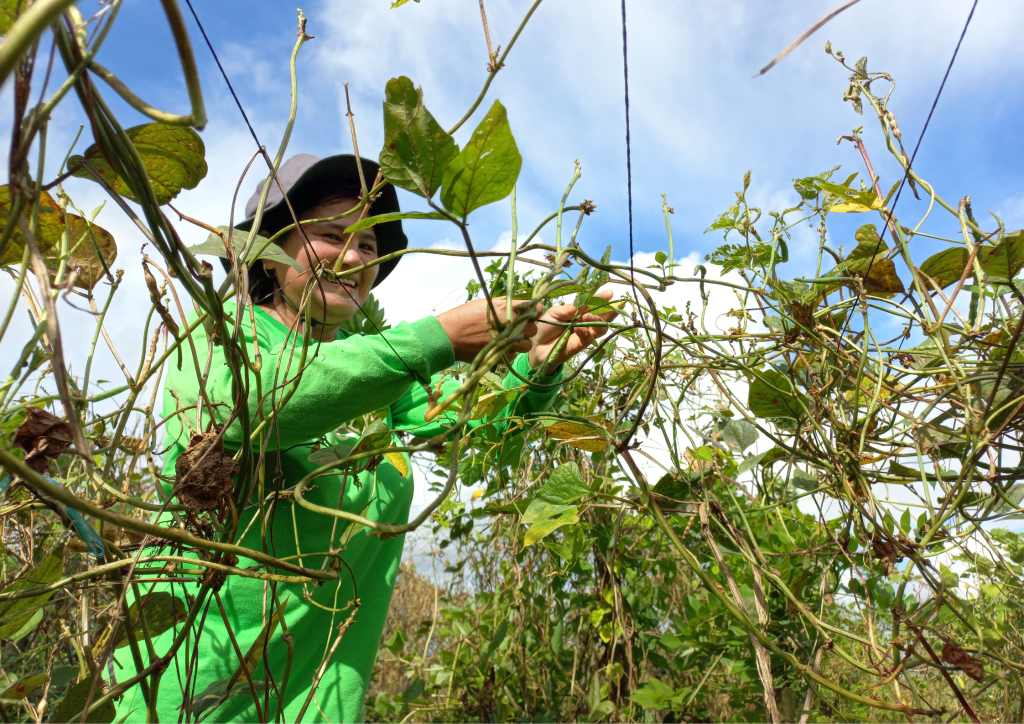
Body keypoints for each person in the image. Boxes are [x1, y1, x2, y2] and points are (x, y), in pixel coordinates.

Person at [114, 154, 615, 722]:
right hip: (189, 691)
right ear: (269, 251)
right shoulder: (222, 336)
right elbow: (249, 409)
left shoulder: (379, 375)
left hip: (317, 704)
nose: (354, 257)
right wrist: (438, 338)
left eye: (370, 246)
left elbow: (482, 428)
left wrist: (539, 366)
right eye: (332, 235)